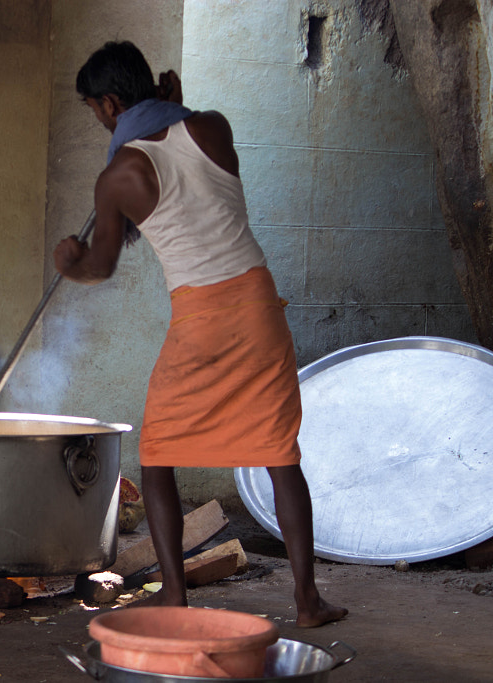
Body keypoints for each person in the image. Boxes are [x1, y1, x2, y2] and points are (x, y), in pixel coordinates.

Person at [54, 41, 347, 628]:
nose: (97, 121)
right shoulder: (212, 127)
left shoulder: (118, 176)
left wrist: (71, 261)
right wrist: (175, 108)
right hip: (258, 307)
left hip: (201, 320)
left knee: (159, 455)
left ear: (111, 103)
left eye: (95, 110)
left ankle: (176, 597)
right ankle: (308, 601)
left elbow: (102, 267)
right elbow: (185, 156)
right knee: (279, 456)